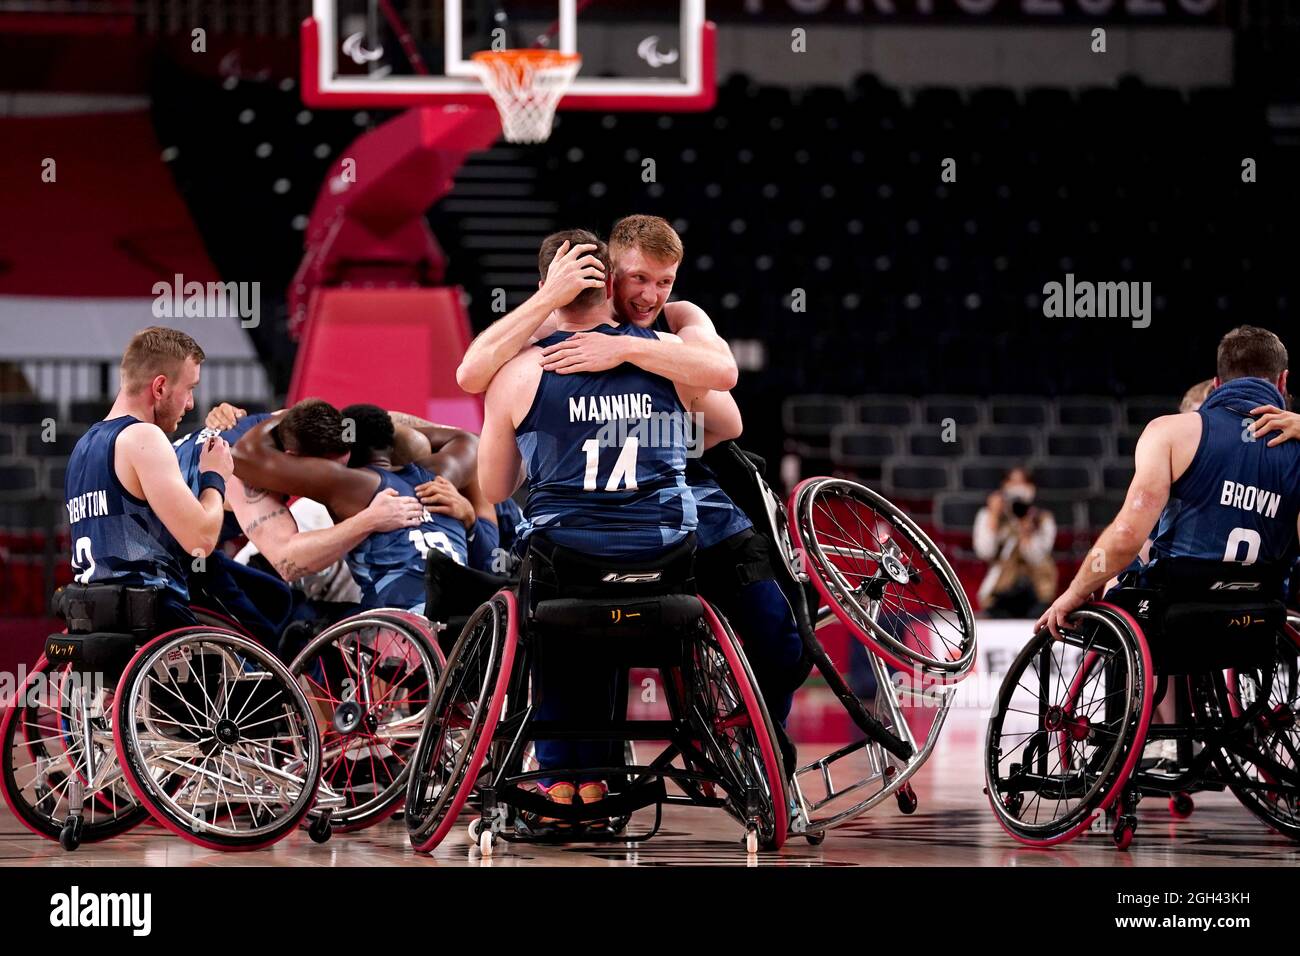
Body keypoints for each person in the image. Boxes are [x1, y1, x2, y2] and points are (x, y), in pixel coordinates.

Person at [459, 215, 808, 761]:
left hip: (686, 506)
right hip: (615, 523)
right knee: (590, 645)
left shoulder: (677, 318)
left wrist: (629, 352)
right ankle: (581, 767)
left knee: (779, 640)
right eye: (639, 279)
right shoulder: (552, 327)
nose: (651, 295)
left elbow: (727, 393)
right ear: (608, 271)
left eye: (664, 281)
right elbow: (470, 371)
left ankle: (755, 747)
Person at [476, 229, 739, 820]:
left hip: (568, 563)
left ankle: (561, 774)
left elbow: (493, 490)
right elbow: (728, 420)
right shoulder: (671, 357)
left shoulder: (520, 369)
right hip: (664, 560)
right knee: (608, 587)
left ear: (547, 287)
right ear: (613, 284)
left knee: (551, 586)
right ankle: (597, 771)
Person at [1038, 325, 1300, 640]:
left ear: (1215, 386)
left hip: (1177, 607)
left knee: (1119, 588)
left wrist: (1077, 590)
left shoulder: (1169, 431)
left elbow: (1125, 535)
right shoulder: (1296, 448)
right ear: (1283, 381)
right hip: (1260, 610)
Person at [232, 400, 477, 615]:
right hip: (464, 618)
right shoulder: (443, 476)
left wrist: (290, 414)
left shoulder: (353, 485)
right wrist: (393, 430)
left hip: (402, 622)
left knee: (302, 624)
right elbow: (466, 437)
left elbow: (243, 454)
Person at [64, 326, 231, 630]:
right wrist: (214, 478)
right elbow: (201, 542)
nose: (191, 403)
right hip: (150, 620)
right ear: (159, 388)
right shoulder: (143, 437)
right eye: (190, 388)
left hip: (93, 618)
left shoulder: (82, 447)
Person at [973, 466, 1058, 618]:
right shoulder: (989, 515)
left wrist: (1026, 530)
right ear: (1004, 486)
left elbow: (1037, 558)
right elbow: (985, 552)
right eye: (1012, 482)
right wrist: (993, 516)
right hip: (1000, 592)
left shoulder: (1043, 518)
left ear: (1032, 488)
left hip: (1037, 593)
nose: (1018, 488)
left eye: (1023, 483)